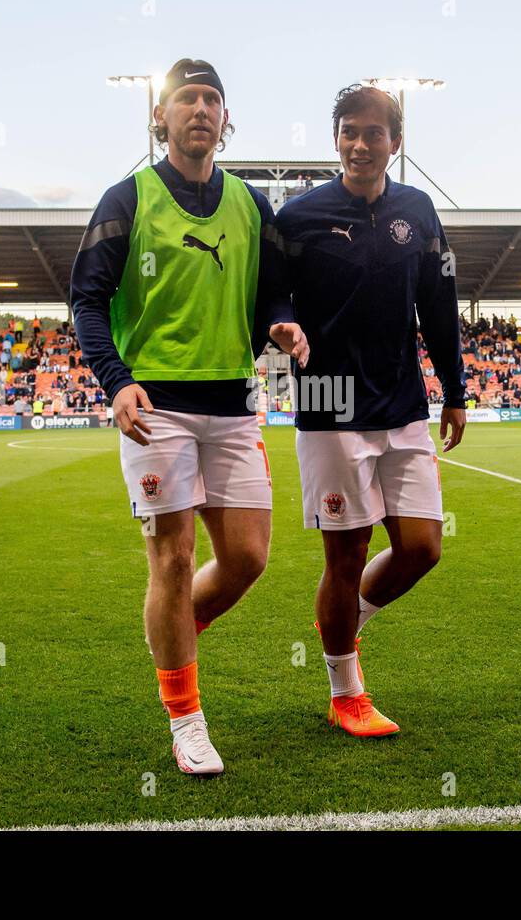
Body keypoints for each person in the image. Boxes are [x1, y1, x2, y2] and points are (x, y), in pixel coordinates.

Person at [70, 58, 306, 776]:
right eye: (186, 99)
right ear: (160, 119)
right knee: (171, 559)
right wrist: (116, 382)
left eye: (212, 99)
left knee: (248, 559)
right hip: (157, 406)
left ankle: (175, 630)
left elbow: (274, 294)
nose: (200, 109)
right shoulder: (127, 197)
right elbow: (85, 298)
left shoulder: (252, 206)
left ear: (225, 121)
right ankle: (187, 718)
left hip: (235, 404)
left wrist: (283, 327)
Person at [275, 82, 465, 738]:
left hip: (405, 402)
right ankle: (344, 688)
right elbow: (272, 295)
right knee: (347, 554)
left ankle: (341, 621)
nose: (361, 144)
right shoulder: (298, 216)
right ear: (335, 139)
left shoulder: (418, 211)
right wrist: (281, 326)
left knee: (422, 547)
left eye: (374, 133)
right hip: (330, 404)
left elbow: (439, 308)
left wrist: (456, 390)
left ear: (396, 142)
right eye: (350, 131)